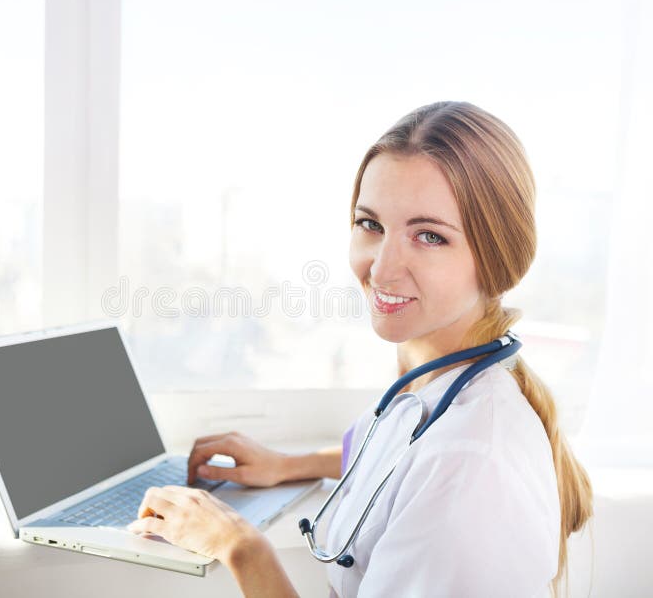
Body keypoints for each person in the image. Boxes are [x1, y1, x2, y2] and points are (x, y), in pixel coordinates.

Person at [127, 101, 594, 597]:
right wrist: (289, 464)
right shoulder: (434, 385)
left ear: (497, 258)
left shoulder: (470, 468)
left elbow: (431, 466)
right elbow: (384, 451)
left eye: (430, 235)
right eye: (370, 225)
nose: (382, 267)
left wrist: (240, 545)